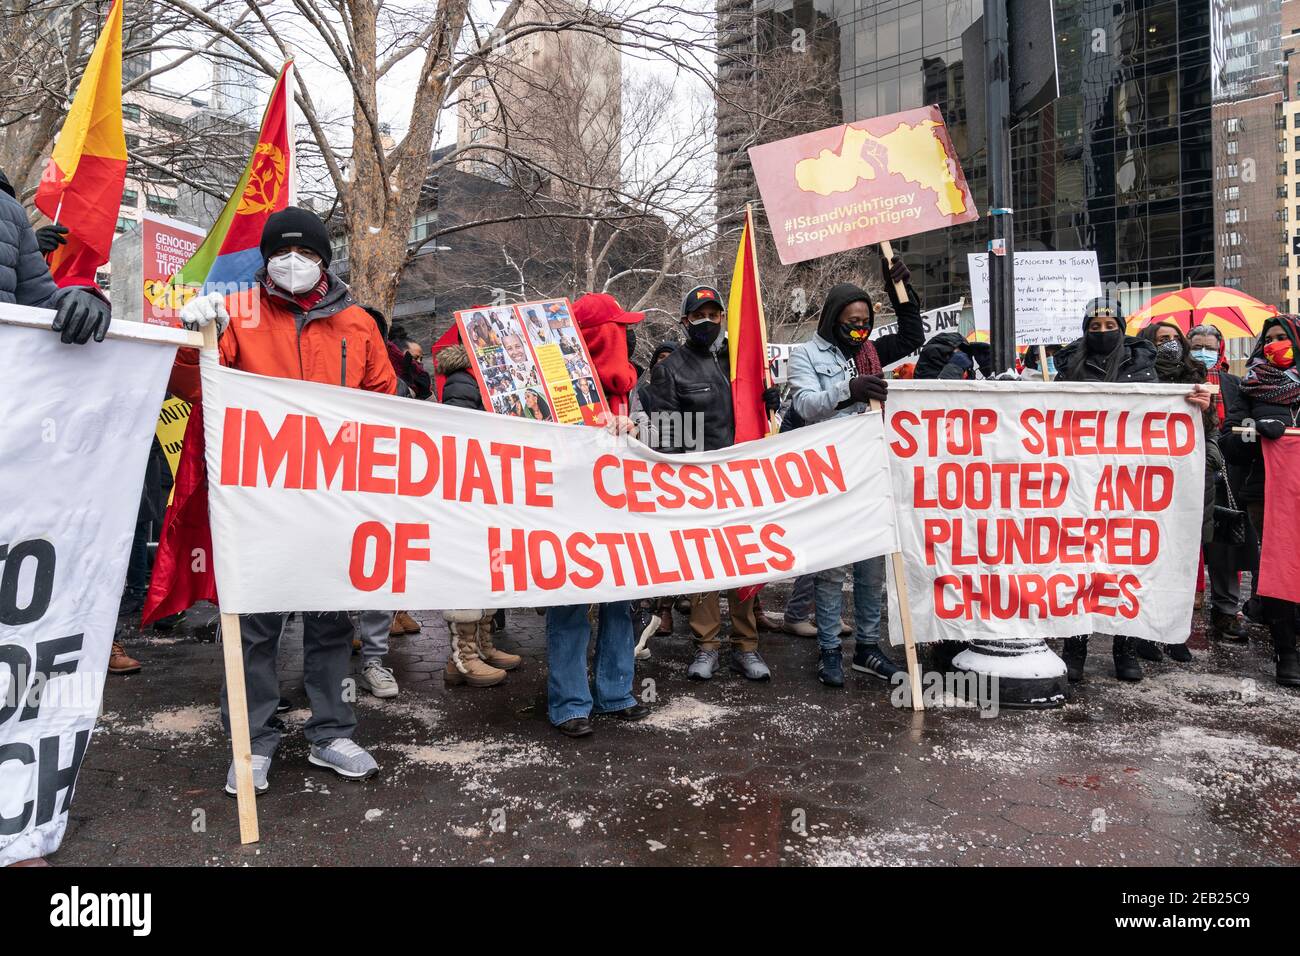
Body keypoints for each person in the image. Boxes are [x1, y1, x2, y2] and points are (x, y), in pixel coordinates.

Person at [174, 206, 397, 792]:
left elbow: (385, 406)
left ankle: (333, 734)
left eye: (304, 253)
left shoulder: (357, 323)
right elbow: (190, 386)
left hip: (335, 500)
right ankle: (252, 742)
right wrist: (189, 338)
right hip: (258, 502)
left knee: (330, 624)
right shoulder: (236, 315)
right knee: (254, 627)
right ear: (265, 260)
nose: (292, 263)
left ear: (324, 259)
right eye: (280, 253)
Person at [1053, 297, 1211, 682]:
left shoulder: (1145, 363)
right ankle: (1075, 648)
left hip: (1129, 483)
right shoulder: (1069, 365)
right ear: (1085, 329)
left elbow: (1163, 413)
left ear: (1122, 326)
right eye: (1095, 326)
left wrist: (1197, 406)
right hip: (1082, 478)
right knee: (1081, 562)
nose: (1103, 332)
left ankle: (1126, 648)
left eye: (1110, 326)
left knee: (1126, 562)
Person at [786, 254, 921, 687]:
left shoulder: (872, 351)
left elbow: (912, 335)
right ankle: (829, 649)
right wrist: (849, 390)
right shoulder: (805, 354)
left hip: (870, 474)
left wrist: (902, 291)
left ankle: (867, 648)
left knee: (870, 567)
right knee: (830, 569)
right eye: (851, 318)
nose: (859, 325)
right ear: (832, 319)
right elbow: (804, 406)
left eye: (865, 318)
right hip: (828, 474)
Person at [639, 285, 781, 682]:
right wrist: (695, 466)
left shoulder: (743, 363)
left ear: (723, 318)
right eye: (698, 315)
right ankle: (706, 647)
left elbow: (762, 420)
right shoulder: (670, 369)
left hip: (744, 481)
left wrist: (769, 399)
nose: (707, 321)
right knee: (705, 566)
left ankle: (746, 646)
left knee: (744, 563)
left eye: (714, 314)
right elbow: (667, 434)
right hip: (699, 483)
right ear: (686, 321)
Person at [434, 339, 523, 687]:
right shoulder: (462, 381)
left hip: (488, 483)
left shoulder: (482, 379)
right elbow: (460, 433)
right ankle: (463, 655)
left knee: (486, 566)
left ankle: (481, 645)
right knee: (468, 567)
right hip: (471, 486)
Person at [1221, 315, 1300, 687]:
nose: (1275, 344)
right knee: (1280, 566)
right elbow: (1229, 444)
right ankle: (1287, 651)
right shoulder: (1250, 387)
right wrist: (1253, 435)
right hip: (1267, 492)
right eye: (1269, 339)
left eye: (1283, 337)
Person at [1134, 321, 1214, 664]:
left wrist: (1205, 409)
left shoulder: (1196, 378)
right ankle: (1146, 635)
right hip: (1146, 483)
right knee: (1147, 560)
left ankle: (1175, 632)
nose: (1170, 344)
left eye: (1174, 338)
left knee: (1179, 560)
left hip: (1185, 481)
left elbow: (1211, 431)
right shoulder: (1137, 379)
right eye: (1162, 339)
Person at [1189, 323, 1249, 641]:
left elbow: (1240, 425)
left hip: (1221, 475)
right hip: (1184, 472)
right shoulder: (1178, 381)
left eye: (1210, 347)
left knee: (1224, 543)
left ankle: (1226, 610)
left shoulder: (1233, 384)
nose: (1204, 352)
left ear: (1220, 350)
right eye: (1197, 345)